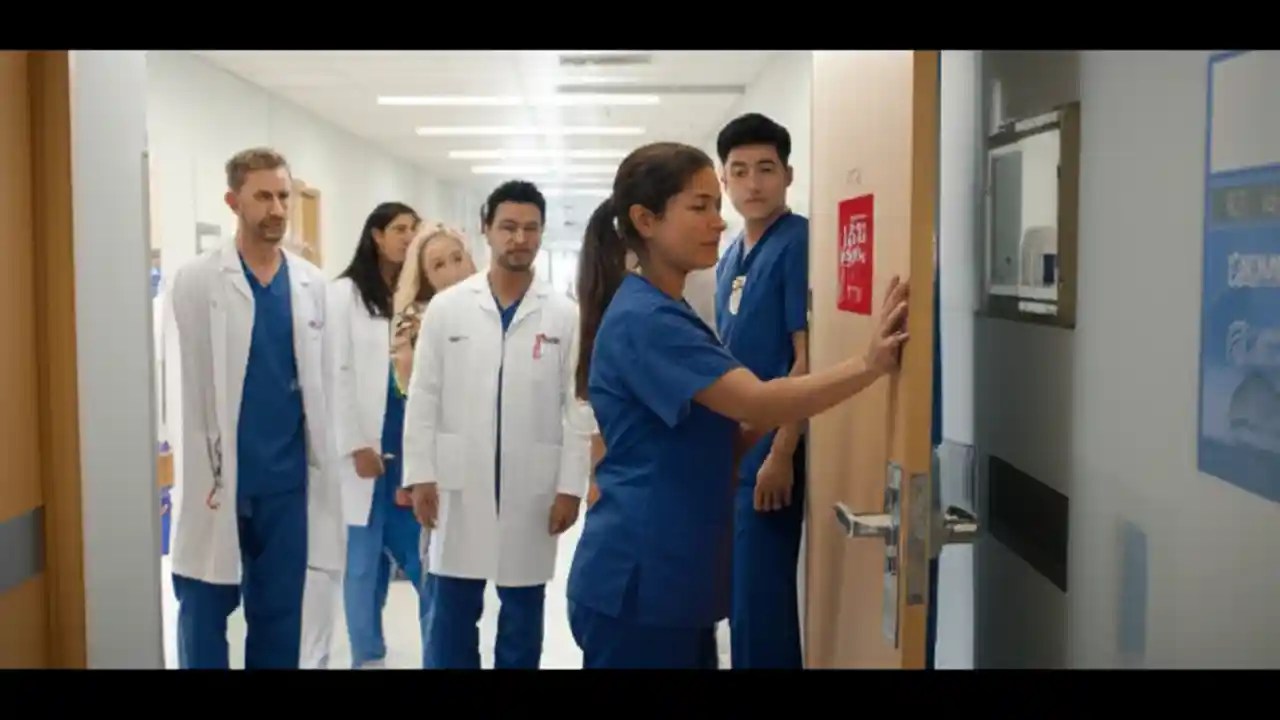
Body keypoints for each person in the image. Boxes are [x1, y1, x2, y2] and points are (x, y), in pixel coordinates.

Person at [566, 141, 910, 669]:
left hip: (673, 577)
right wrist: (869, 364)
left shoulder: (668, 308)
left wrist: (761, 435)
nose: (718, 221)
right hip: (640, 580)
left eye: (715, 205)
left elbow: (713, 429)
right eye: (699, 206)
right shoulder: (646, 320)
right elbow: (756, 402)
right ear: (646, 220)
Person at [402, 180, 592, 669]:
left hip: (532, 486)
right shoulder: (448, 308)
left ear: (542, 233)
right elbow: (423, 395)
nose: (519, 238)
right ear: (486, 230)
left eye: (530, 228)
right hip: (458, 482)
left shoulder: (564, 315)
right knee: (451, 617)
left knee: (522, 620)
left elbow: (576, 407)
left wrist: (570, 487)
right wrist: (421, 474)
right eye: (508, 227)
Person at [167, 147, 342, 669]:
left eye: (283, 196)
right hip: (217, 480)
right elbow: (183, 381)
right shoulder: (197, 280)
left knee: (279, 619)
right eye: (263, 196)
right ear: (233, 201)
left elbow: (323, 389)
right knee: (203, 612)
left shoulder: (311, 285)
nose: (277, 209)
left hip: (285, 484)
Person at [713, 112, 810, 669]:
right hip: (738, 452)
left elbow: (804, 356)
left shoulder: (797, 243)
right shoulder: (730, 256)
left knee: (763, 601)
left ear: (788, 176)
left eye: (766, 169)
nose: (753, 183)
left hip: (773, 456)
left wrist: (782, 451)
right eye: (740, 170)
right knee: (742, 601)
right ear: (724, 180)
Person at [328, 201, 436, 669]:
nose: (409, 237)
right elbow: (337, 373)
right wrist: (355, 443)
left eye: (414, 229)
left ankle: (439, 650)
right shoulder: (345, 295)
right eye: (399, 228)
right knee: (363, 564)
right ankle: (367, 655)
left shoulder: (421, 297)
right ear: (376, 235)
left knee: (424, 560)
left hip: (411, 444)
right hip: (368, 447)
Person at [390, 222, 477, 393]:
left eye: (458, 258)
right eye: (438, 265)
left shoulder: (495, 308)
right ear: (426, 277)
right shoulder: (414, 327)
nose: (453, 271)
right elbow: (408, 388)